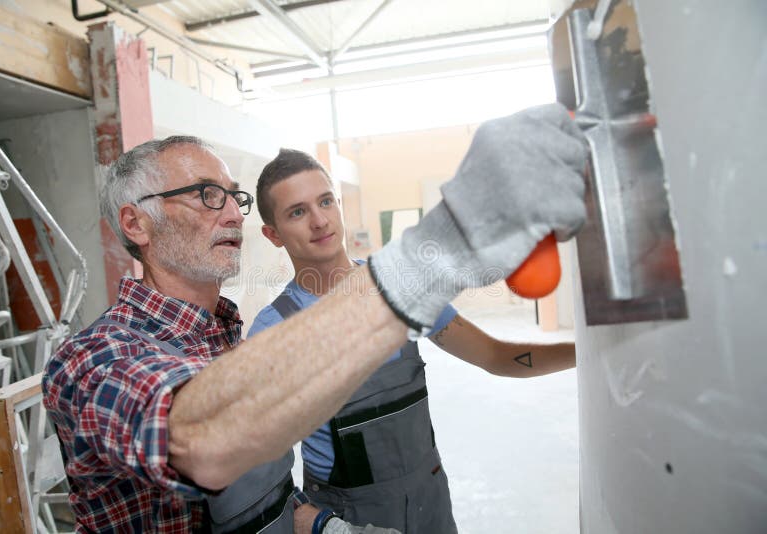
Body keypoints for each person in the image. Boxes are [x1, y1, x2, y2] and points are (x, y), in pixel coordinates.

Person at [42, 103, 588, 533]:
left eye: (233, 196)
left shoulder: (226, 343)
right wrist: (440, 252)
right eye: (208, 195)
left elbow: (258, 492)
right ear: (136, 223)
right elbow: (204, 440)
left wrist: (322, 527)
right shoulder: (96, 358)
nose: (232, 210)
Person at [249, 147, 578, 532]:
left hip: (430, 501)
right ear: (273, 234)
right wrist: (325, 526)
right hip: (346, 515)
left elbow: (495, 356)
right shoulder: (273, 331)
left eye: (325, 202)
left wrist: (586, 352)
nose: (319, 221)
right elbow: (262, 473)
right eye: (298, 212)